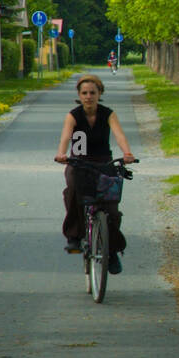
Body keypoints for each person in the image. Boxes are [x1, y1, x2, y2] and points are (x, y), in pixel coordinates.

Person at [54, 74, 137, 273]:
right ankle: (74, 236)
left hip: (103, 163)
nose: (89, 96)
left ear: (100, 94)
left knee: (112, 209)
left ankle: (112, 251)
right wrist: (61, 154)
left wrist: (127, 153)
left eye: (93, 92)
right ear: (79, 95)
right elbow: (66, 137)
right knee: (73, 189)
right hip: (79, 162)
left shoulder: (108, 114)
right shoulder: (73, 115)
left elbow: (119, 135)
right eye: (85, 93)